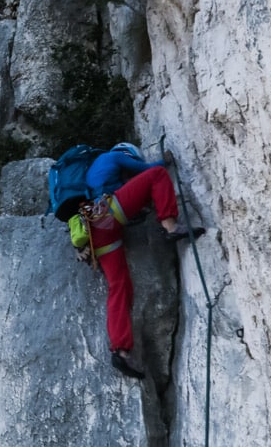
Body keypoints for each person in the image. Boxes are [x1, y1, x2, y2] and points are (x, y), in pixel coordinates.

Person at [72, 154, 203, 379]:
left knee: (119, 287)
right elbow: (145, 169)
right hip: (107, 215)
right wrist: (165, 160)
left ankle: (121, 351)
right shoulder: (114, 156)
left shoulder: (90, 176)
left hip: (97, 233)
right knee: (157, 176)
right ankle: (170, 227)